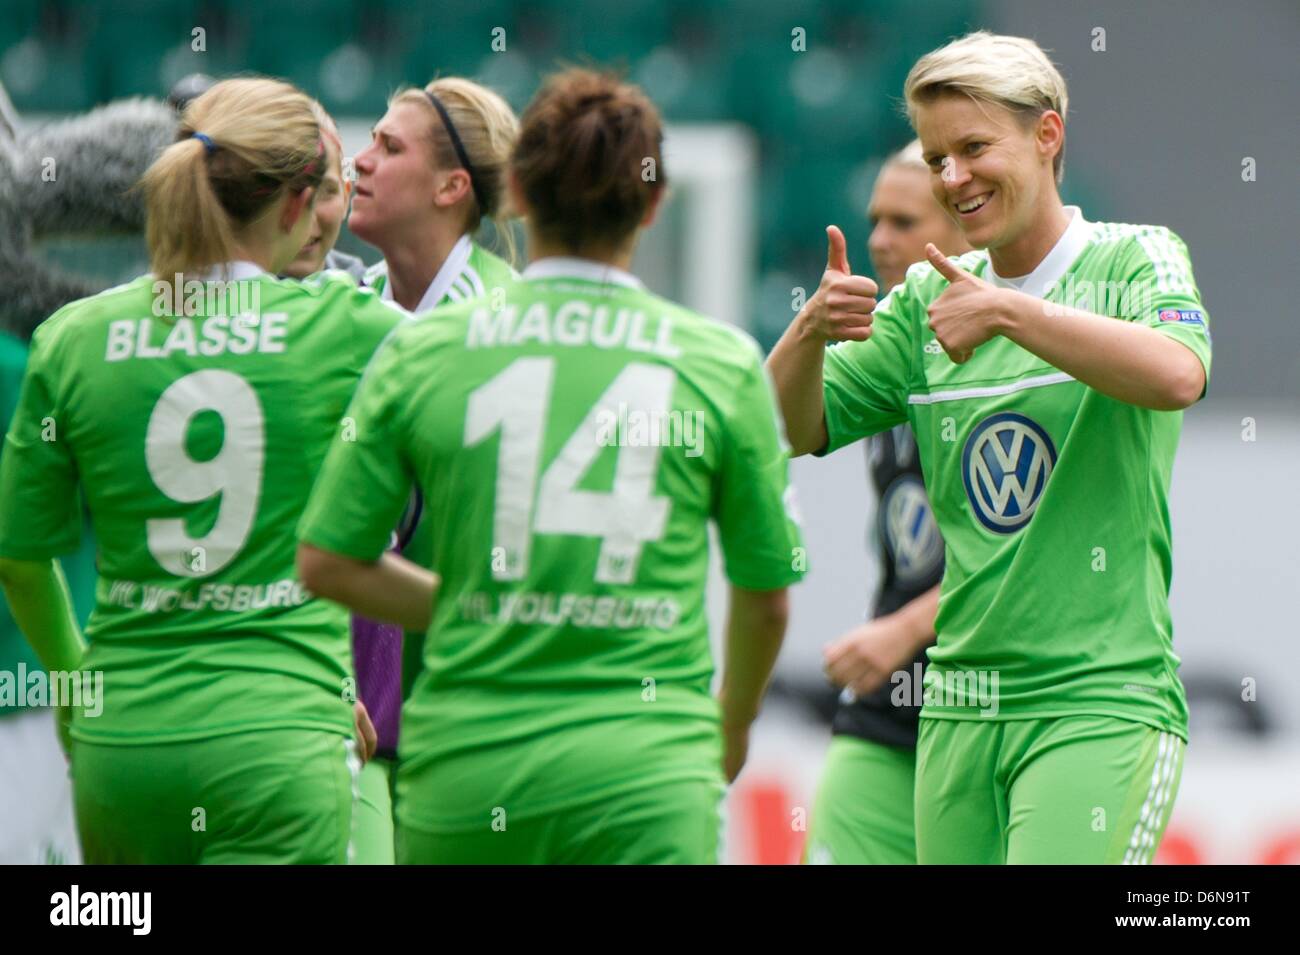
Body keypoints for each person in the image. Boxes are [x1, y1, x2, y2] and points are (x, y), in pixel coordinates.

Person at [298, 68, 805, 864]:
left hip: (463, 764)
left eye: (387, 146)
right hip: (647, 775)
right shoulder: (720, 361)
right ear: (655, 203)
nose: (364, 161)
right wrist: (733, 725)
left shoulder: (419, 348)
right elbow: (767, 596)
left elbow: (328, 557)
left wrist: (476, 605)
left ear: (519, 196)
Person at [768, 32, 1210, 865]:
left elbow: (1177, 373)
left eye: (974, 148)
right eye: (938, 158)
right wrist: (806, 332)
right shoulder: (926, 299)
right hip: (958, 709)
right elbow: (792, 429)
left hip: (1097, 701)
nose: (953, 178)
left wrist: (1010, 312)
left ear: (1047, 137)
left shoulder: (1135, 256)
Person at [0, 77, 407, 863]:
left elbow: (19, 554)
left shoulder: (72, 336)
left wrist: (73, 681)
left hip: (122, 750)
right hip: (278, 741)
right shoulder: (349, 325)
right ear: (292, 205)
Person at [805, 140, 970, 865]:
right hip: (889, 707)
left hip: (990, 701)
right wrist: (810, 329)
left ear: (967, 223)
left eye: (903, 220)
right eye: (874, 218)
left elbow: (1038, 546)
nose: (877, 239)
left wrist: (906, 627)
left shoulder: (1016, 359)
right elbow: (777, 426)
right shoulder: (887, 350)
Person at [350, 77, 518, 311]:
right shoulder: (355, 294)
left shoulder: (499, 313)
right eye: (373, 140)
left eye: (391, 148)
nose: (359, 161)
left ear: (451, 187)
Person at [280, 100, 367, 283]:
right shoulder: (215, 301)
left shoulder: (371, 294)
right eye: (290, 193)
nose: (307, 218)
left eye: (324, 193)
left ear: (346, 196)